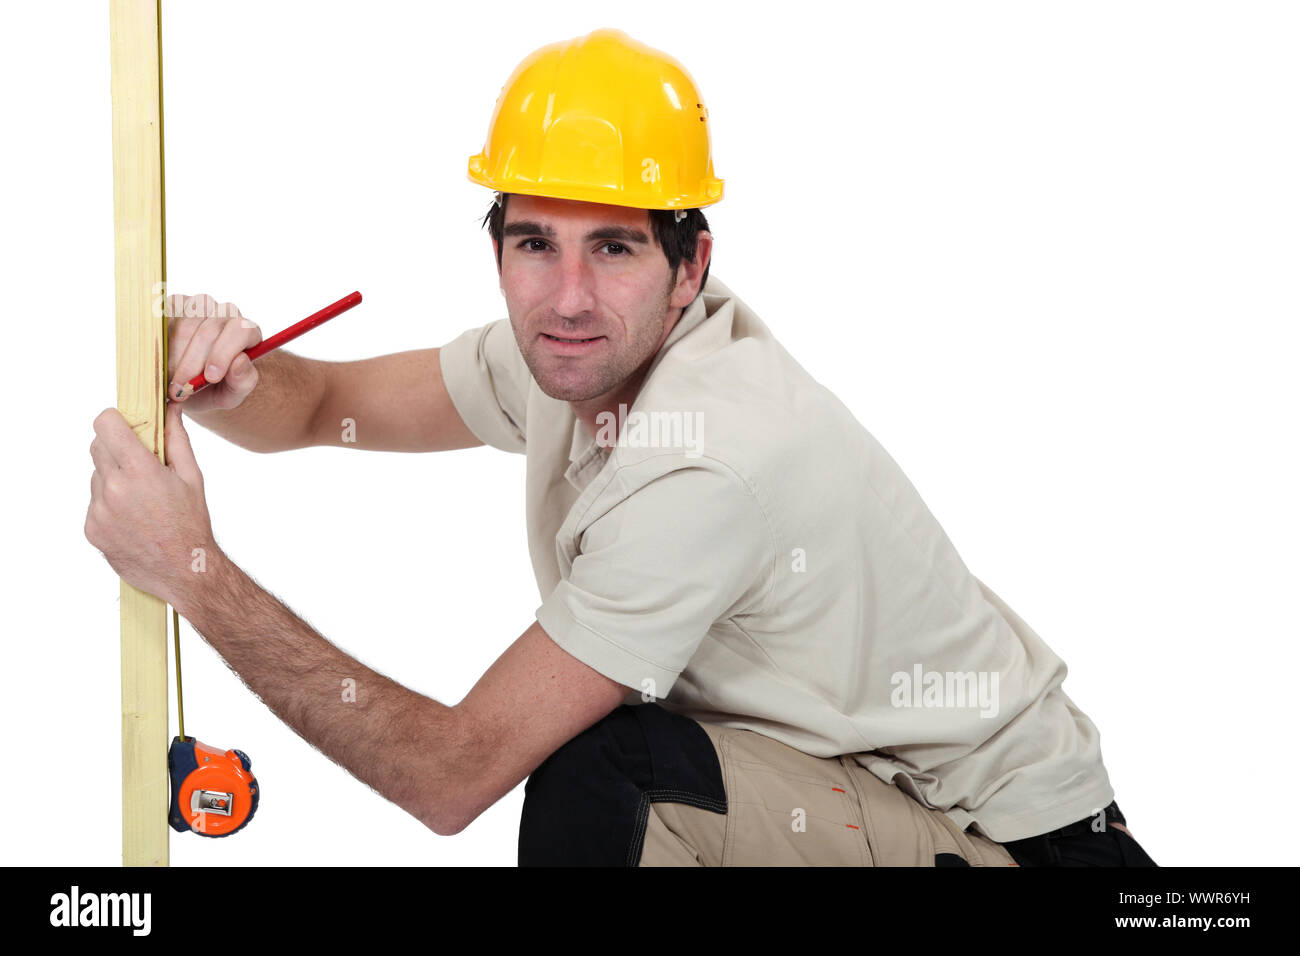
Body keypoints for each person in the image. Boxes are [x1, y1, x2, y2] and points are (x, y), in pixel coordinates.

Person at [86, 27, 1155, 867]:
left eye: (614, 246)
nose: (567, 297)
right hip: (852, 795)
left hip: (1015, 849)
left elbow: (448, 774)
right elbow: (322, 406)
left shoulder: (712, 459)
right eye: (533, 244)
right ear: (498, 249)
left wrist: (192, 572)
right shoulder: (568, 354)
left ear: (689, 268)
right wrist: (229, 374)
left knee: (616, 780)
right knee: (632, 768)